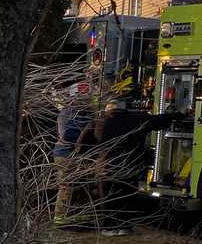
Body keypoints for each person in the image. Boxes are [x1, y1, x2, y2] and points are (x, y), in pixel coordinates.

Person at [77, 98, 181, 234]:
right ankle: (124, 227)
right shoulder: (137, 119)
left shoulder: (98, 122)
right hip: (130, 167)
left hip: (105, 168)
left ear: (108, 109)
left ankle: (108, 227)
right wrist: (177, 115)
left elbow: (82, 144)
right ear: (124, 108)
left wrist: (88, 159)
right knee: (126, 197)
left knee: (108, 199)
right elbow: (159, 120)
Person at [53, 95, 91, 227]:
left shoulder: (64, 113)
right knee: (66, 186)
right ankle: (60, 216)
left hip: (61, 152)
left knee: (74, 184)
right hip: (66, 154)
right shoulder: (72, 115)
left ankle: (71, 214)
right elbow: (69, 136)